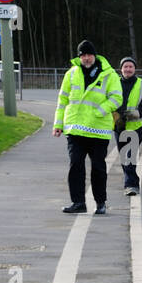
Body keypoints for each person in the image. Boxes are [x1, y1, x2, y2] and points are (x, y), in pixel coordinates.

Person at [53, 40, 122, 215]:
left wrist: (100, 110)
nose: (86, 58)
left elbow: (117, 98)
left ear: (95, 55)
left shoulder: (109, 74)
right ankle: (78, 202)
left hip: (98, 130)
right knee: (75, 166)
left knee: (98, 168)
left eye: (89, 54)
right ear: (79, 57)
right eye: (82, 55)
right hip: (75, 129)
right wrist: (58, 124)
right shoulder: (71, 74)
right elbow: (62, 101)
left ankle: (100, 202)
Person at [114, 57, 142, 196]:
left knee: (129, 156)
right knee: (124, 157)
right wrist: (118, 119)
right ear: (121, 69)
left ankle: (131, 185)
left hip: (134, 127)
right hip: (118, 126)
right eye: (125, 67)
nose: (128, 69)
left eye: (130, 67)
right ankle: (131, 180)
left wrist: (127, 116)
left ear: (135, 69)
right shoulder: (113, 83)